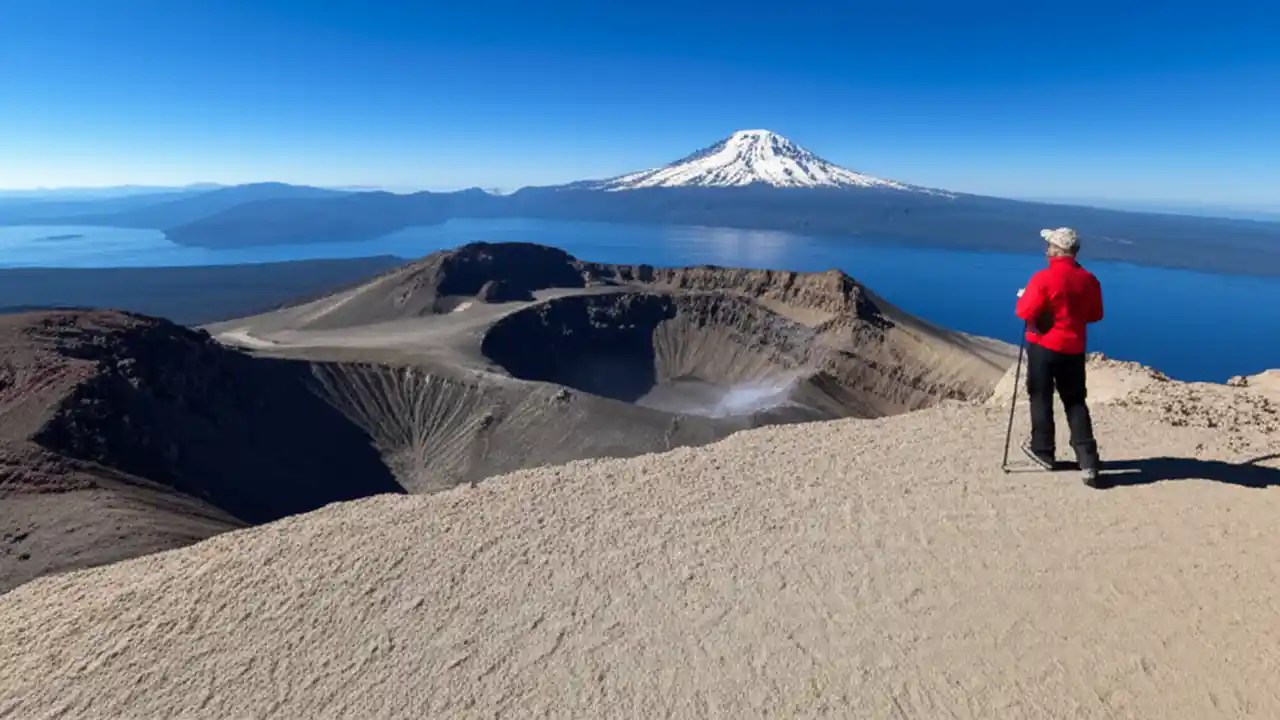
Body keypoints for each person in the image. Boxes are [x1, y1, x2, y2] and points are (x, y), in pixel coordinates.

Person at [1015, 227, 1104, 486]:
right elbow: (1095, 314)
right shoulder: (1089, 279)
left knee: (1041, 396)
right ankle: (1088, 461)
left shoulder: (1043, 278)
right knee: (1075, 401)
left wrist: (1027, 299)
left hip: (1043, 346)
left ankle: (1043, 451)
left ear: (1057, 250)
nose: (1046, 251)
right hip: (1074, 349)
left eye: (1049, 246)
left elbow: (1024, 311)